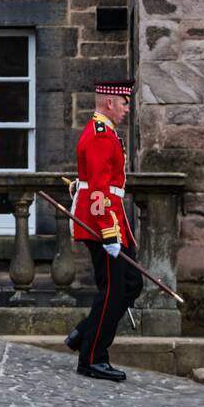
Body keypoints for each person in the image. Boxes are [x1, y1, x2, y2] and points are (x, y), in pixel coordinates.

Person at [66, 80, 143, 383]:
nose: (127, 108)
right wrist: (110, 233)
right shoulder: (100, 135)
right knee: (112, 291)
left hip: (112, 219)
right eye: (124, 103)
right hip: (103, 223)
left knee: (131, 284)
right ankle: (93, 356)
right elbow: (99, 190)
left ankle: (83, 334)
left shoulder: (105, 133)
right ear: (109, 102)